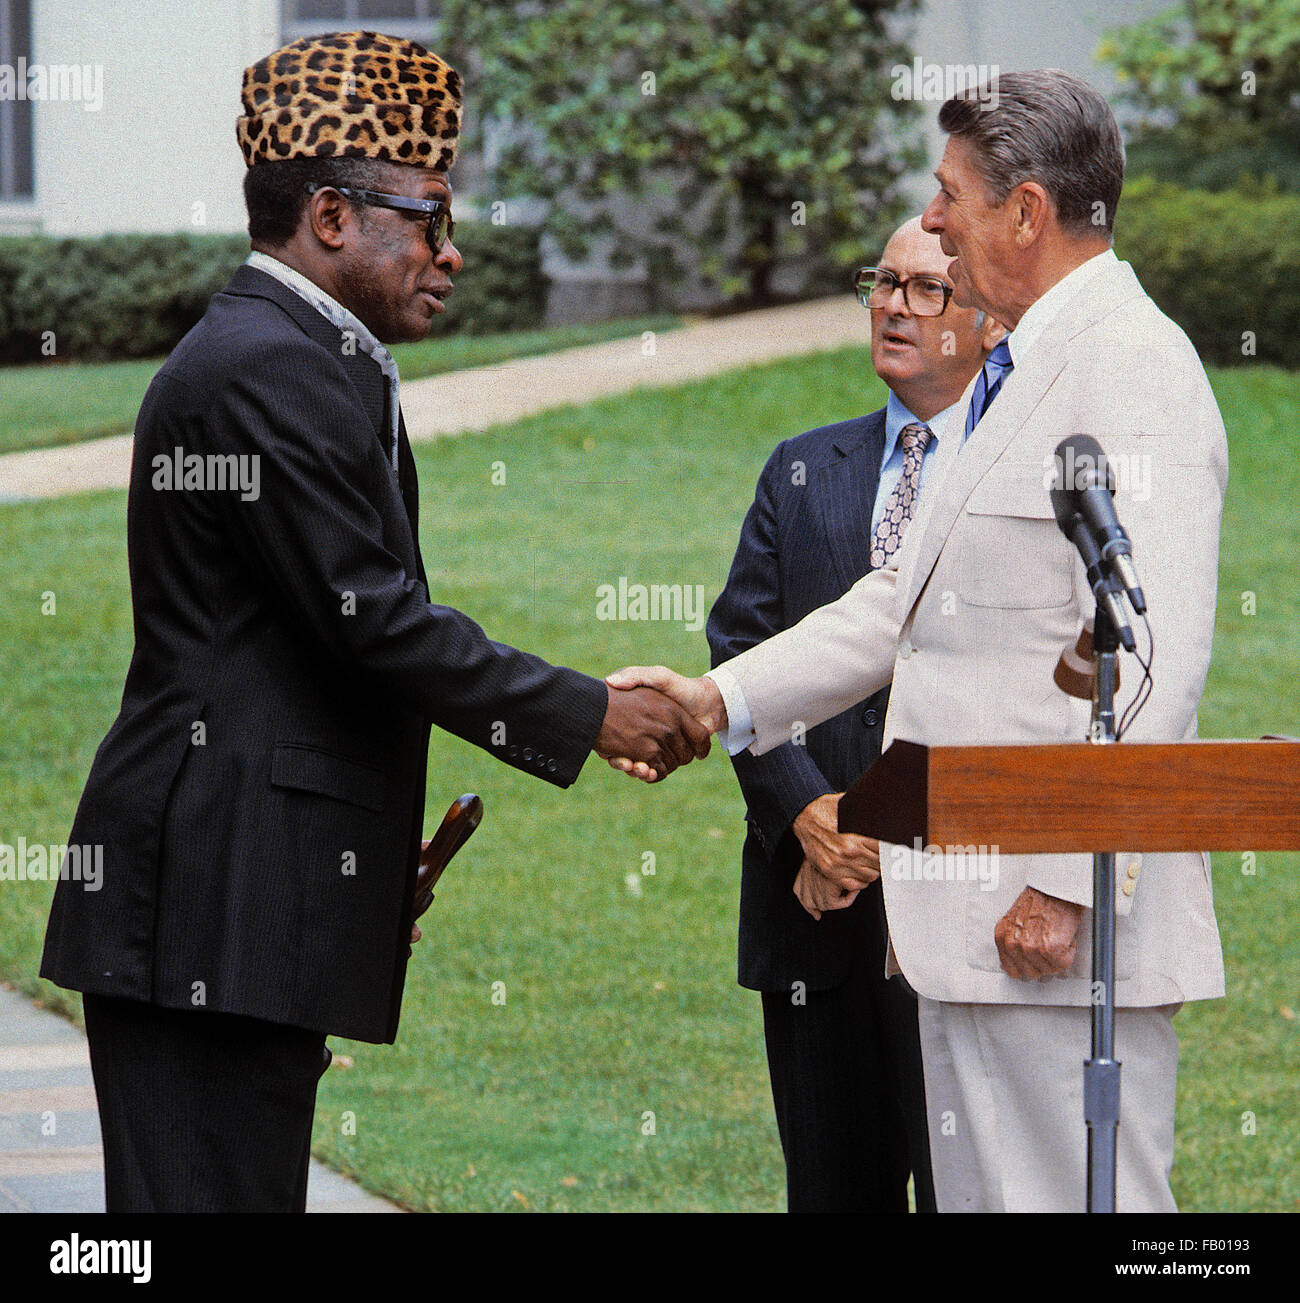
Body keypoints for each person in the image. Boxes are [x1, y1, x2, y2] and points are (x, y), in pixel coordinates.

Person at [39, 30, 707, 1213]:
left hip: (243, 899)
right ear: (333, 217)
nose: (452, 253)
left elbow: (322, 649)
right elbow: (377, 624)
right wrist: (591, 713)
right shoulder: (266, 365)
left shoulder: (302, 353)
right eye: (430, 217)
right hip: (207, 905)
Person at [610, 70, 1228, 1213]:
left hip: (1046, 935)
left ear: (1026, 211)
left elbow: (1154, 654)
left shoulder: (1130, 366)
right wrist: (716, 699)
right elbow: (900, 602)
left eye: (950, 195)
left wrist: (1064, 886)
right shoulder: (1019, 368)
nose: (932, 222)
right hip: (966, 931)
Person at [707, 216, 1002, 1212]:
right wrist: (804, 814)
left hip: (963, 919)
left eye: (926, 290)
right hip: (814, 916)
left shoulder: (1009, 475)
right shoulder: (800, 469)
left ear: (989, 319)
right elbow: (741, 651)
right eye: (883, 281)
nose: (893, 307)